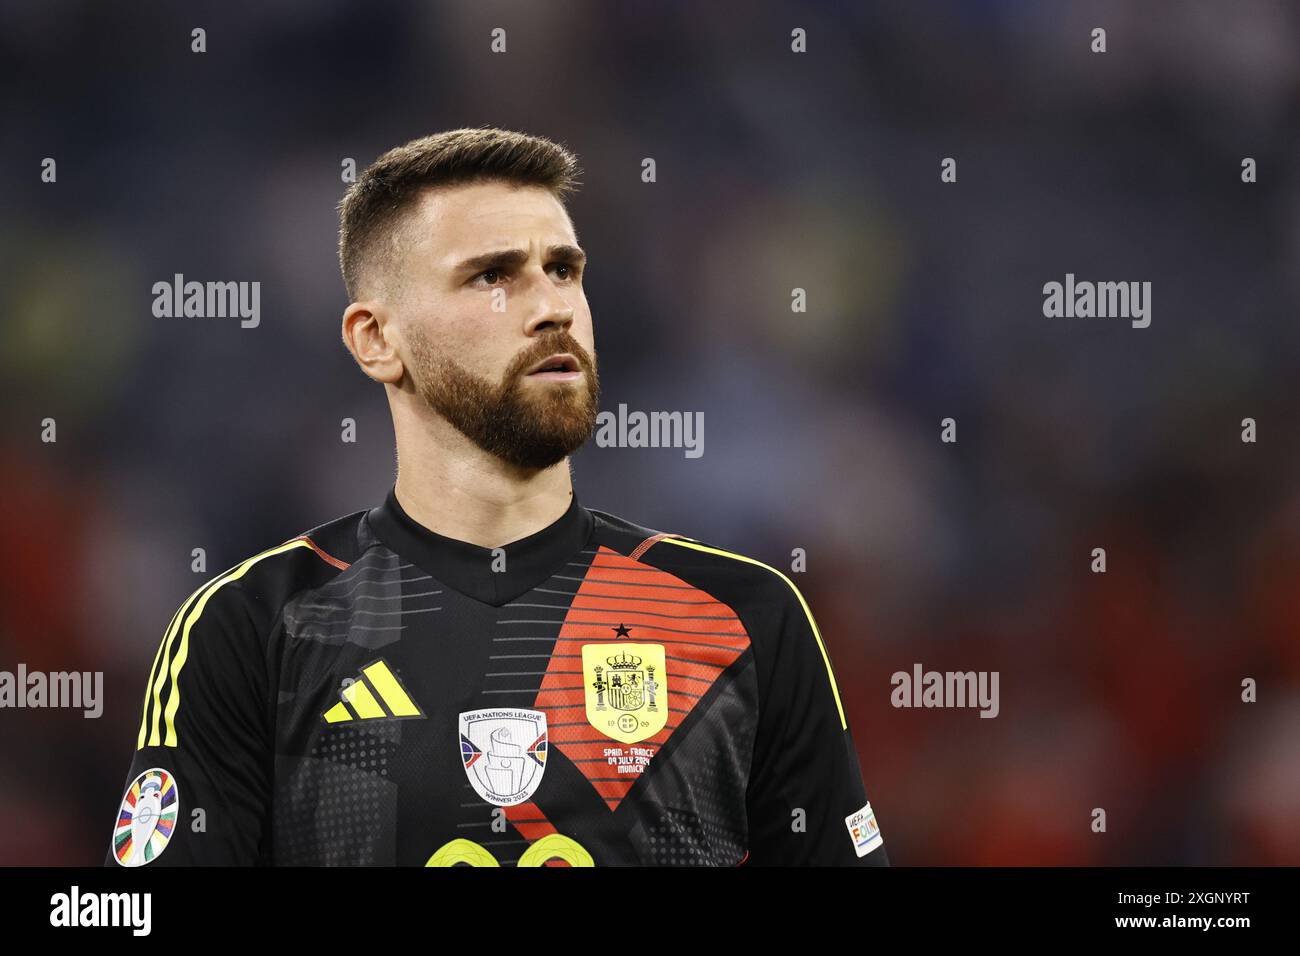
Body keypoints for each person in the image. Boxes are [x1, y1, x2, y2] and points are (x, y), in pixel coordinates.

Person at [105, 127, 888, 866]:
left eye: (564, 270)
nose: (552, 307)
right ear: (377, 340)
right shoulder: (252, 629)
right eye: (492, 276)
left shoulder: (742, 616)